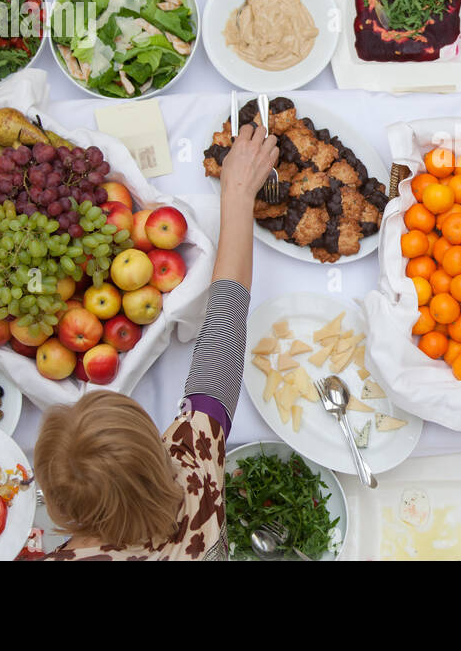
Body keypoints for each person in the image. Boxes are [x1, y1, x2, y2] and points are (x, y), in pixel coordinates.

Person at [33, 121, 279, 560]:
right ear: (161, 448)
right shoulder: (195, 475)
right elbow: (225, 329)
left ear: (58, 514)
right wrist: (238, 196)